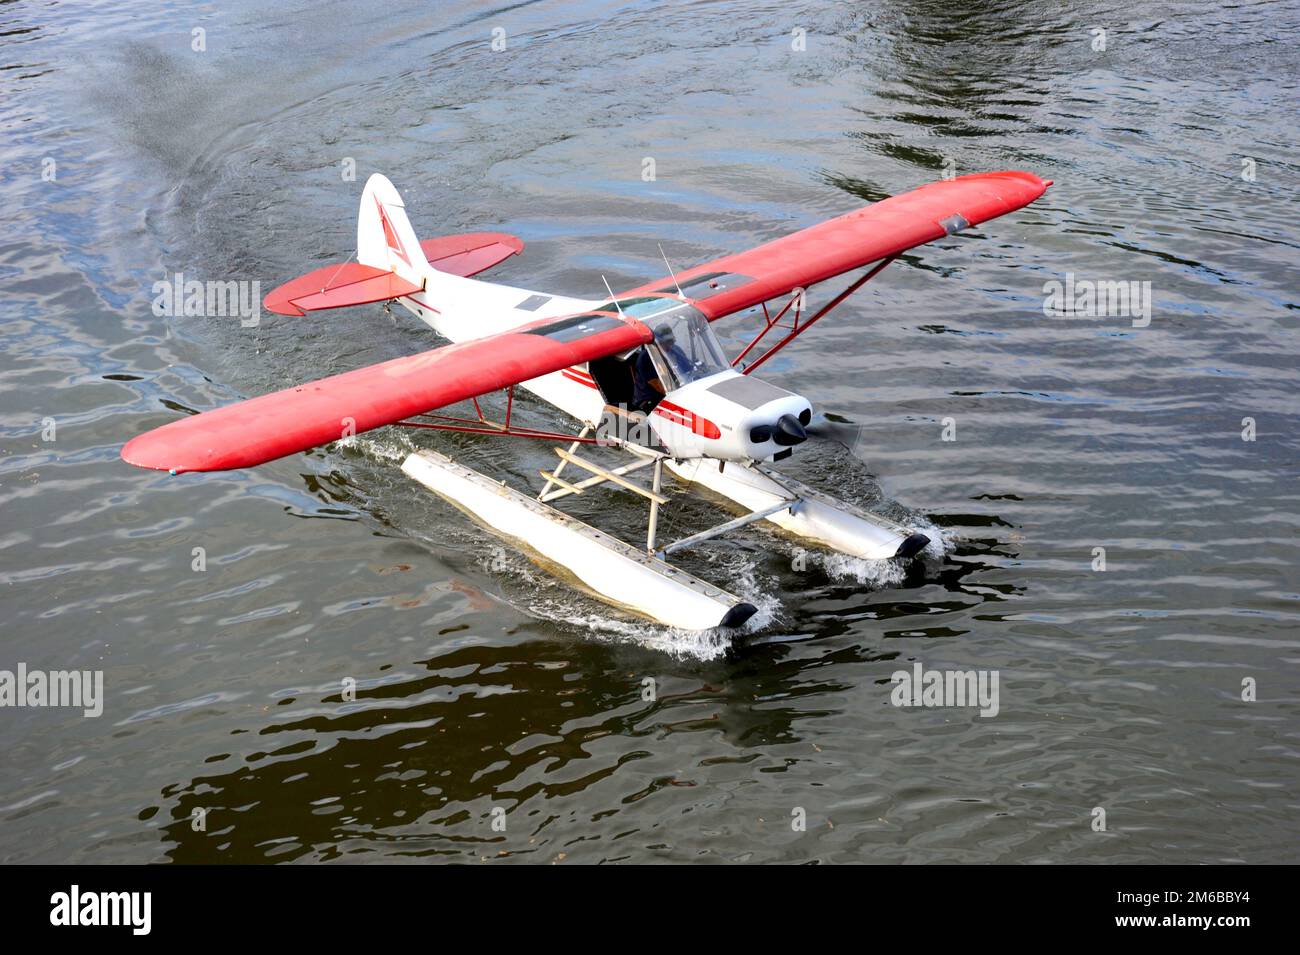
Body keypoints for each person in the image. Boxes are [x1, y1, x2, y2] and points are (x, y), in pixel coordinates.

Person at [630, 324, 692, 413]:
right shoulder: (646, 357)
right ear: (657, 342)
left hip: (674, 392)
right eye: (666, 341)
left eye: (671, 341)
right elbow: (659, 386)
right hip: (650, 401)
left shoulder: (675, 350)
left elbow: (688, 370)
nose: (670, 345)